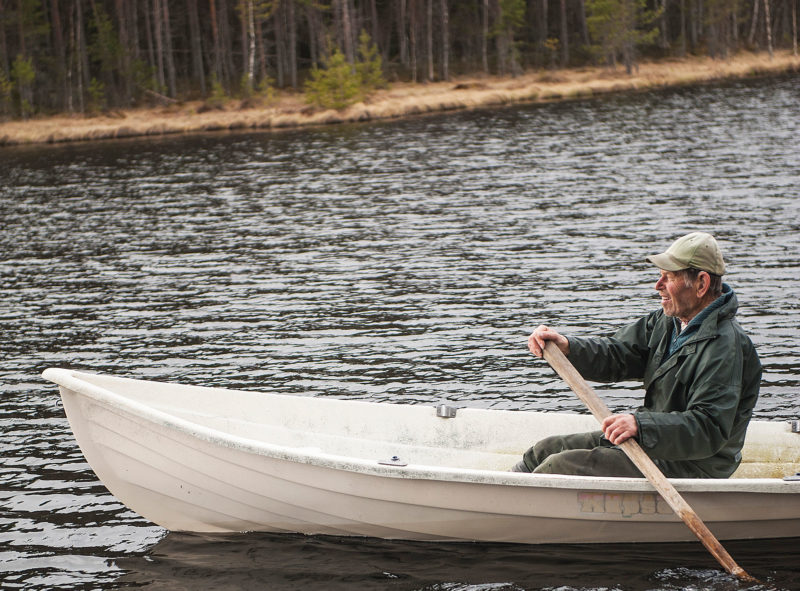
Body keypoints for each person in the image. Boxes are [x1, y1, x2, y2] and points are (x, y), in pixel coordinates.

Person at [513, 232, 761, 478]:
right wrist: (569, 347)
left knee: (561, 465)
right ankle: (505, 491)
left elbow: (708, 430)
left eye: (669, 277)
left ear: (701, 284)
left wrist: (640, 426)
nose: (658, 285)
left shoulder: (726, 347)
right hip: (653, 443)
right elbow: (617, 354)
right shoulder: (667, 322)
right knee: (543, 452)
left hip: (694, 464)